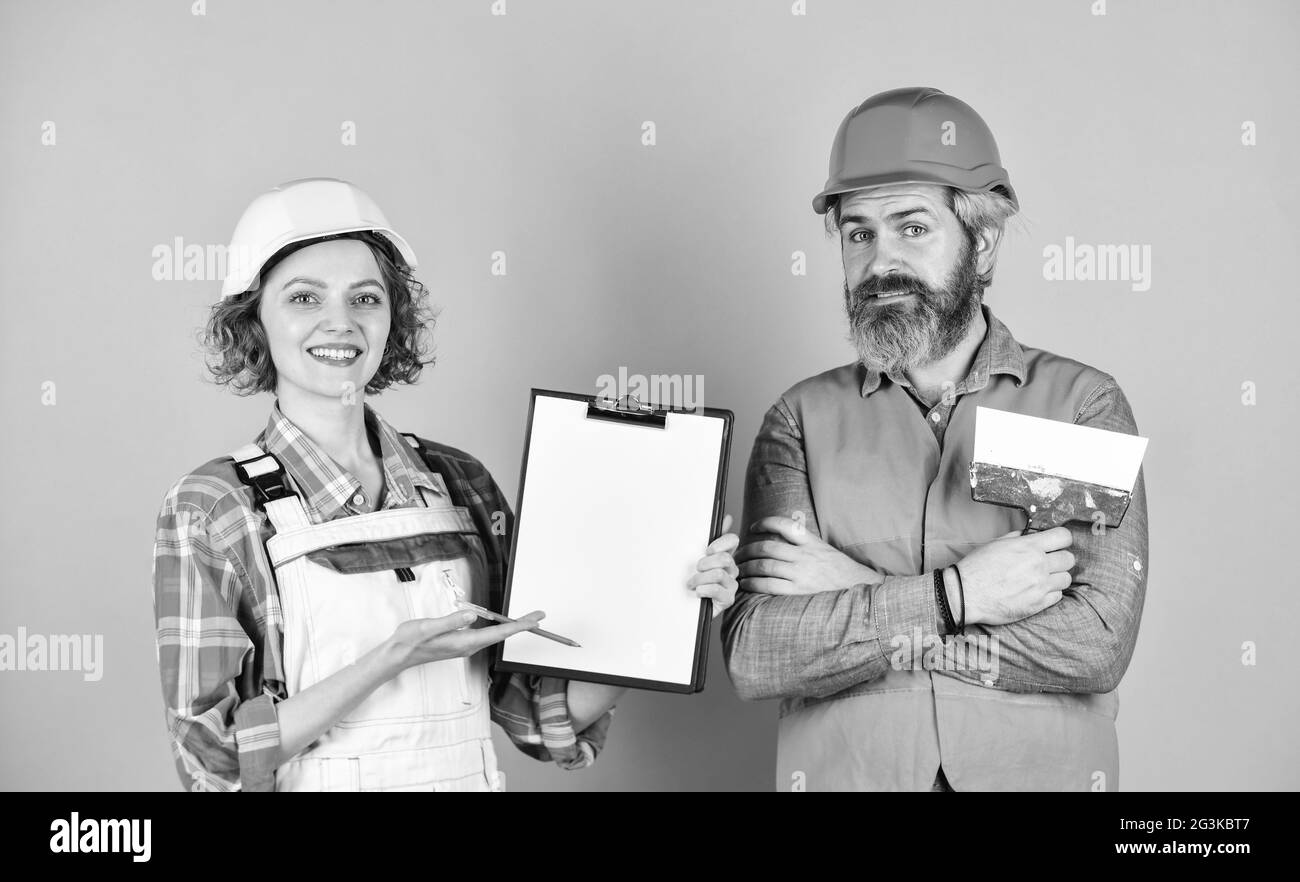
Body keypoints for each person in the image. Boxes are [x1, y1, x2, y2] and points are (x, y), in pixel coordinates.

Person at [151, 178, 740, 792]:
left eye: (366, 298)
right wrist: (390, 659)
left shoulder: (460, 485)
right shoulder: (214, 507)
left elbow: (537, 715)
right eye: (304, 298)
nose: (340, 323)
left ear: (391, 317)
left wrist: (672, 608)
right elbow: (212, 757)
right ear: (255, 320)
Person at [721, 88, 1149, 791]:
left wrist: (861, 592)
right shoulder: (800, 421)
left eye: (912, 228)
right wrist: (956, 595)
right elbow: (761, 653)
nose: (880, 261)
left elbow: (1093, 645)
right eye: (858, 233)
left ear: (981, 239)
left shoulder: (1075, 408)